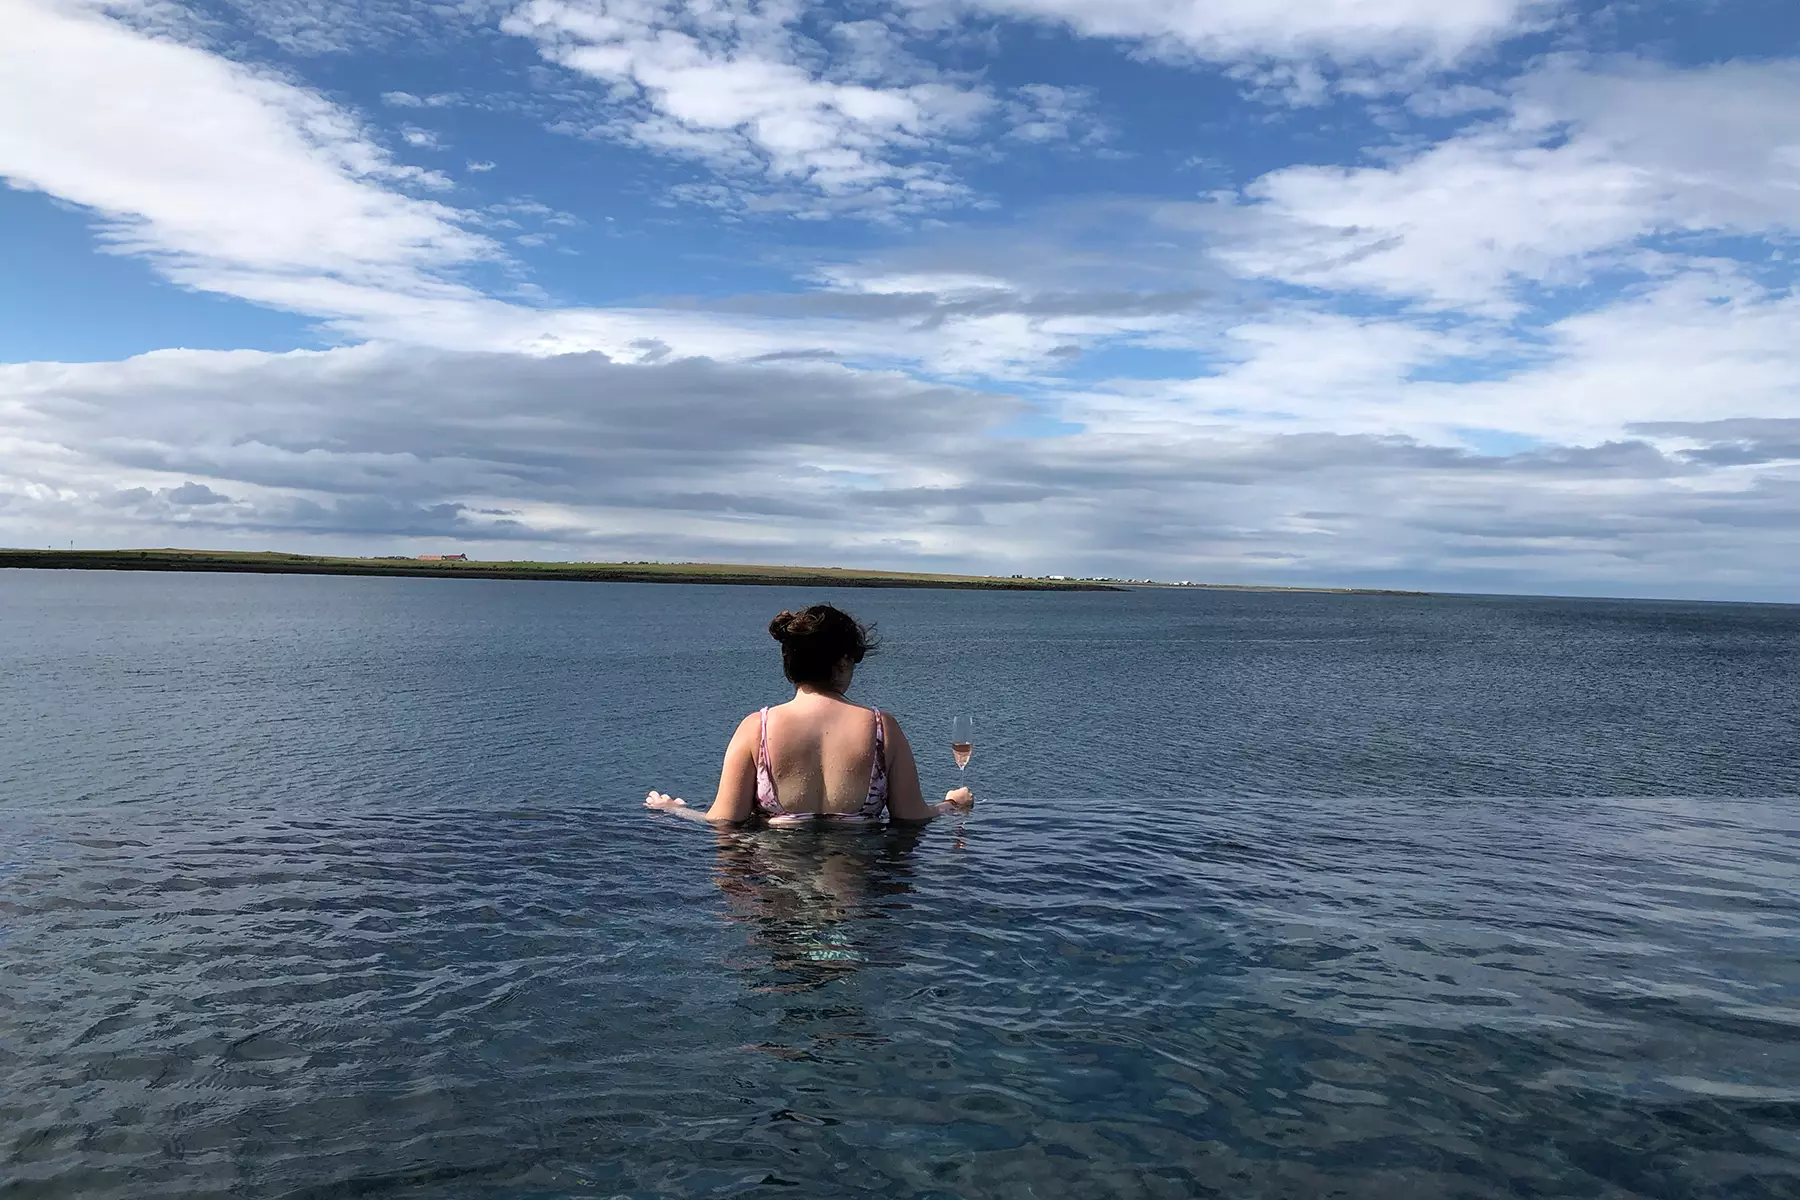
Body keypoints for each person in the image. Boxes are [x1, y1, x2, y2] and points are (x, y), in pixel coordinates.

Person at [646, 604, 974, 825]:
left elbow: (721, 821)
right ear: (844, 662)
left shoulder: (755, 729)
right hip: (855, 899)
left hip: (777, 897)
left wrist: (673, 810)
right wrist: (951, 803)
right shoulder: (882, 728)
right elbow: (912, 817)